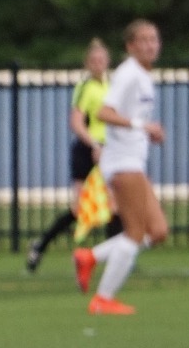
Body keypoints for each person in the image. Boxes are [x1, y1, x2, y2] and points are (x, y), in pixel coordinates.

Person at [74, 20, 168, 314]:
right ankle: (103, 299)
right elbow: (103, 112)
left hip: (133, 161)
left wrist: (143, 131)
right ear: (130, 46)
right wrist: (142, 126)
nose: (151, 45)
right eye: (143, 40)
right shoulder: (129, 74)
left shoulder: (142, 75)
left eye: (154, 39)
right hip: (122, 162)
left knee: (159, 231)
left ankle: (90, 257)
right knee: (135, 233)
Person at [25, 39, 123, 272]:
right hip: (87, 151)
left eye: (102, 59)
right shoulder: (85, 87)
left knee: (114, 205)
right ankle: (40, 245)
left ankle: (114, 259)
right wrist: (93, 144)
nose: (99, 64)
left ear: (108, 62)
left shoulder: (112, 86)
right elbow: (76, 123)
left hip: (108, 150)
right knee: (79, 209)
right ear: (87, 64)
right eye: (94, 60)